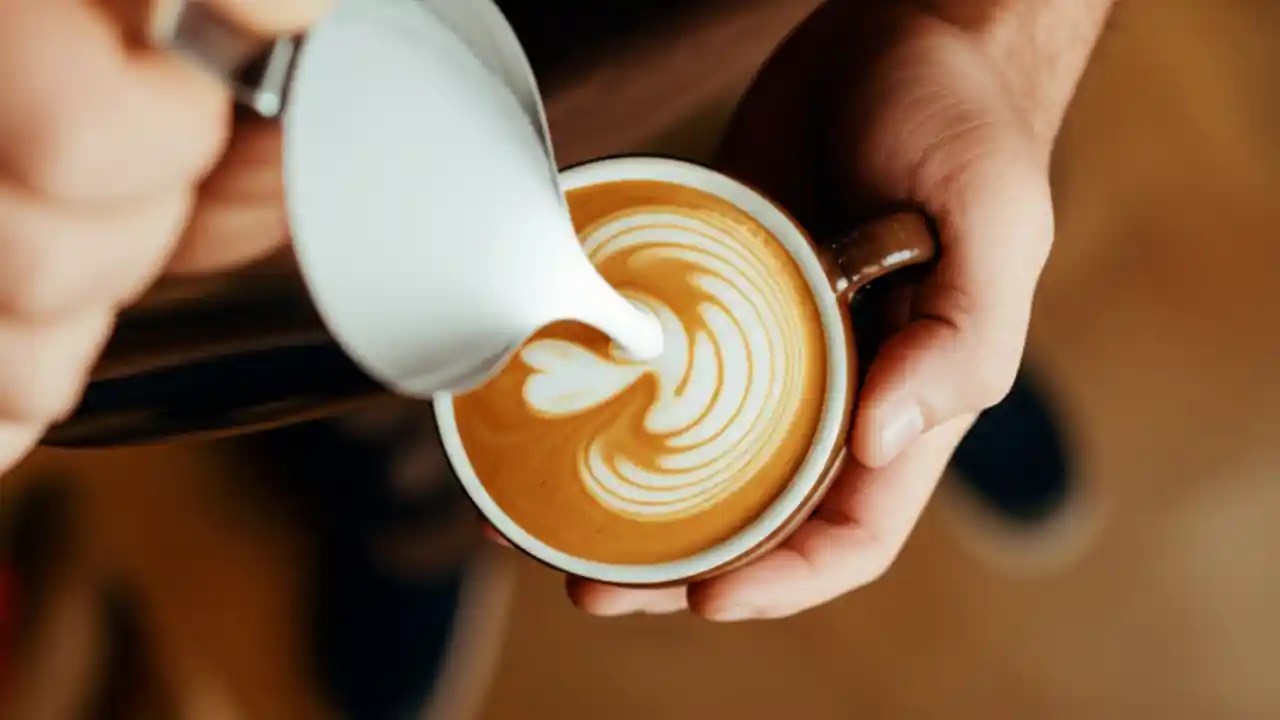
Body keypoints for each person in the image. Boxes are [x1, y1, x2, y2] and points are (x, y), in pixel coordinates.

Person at [0, 0, 1114, 627]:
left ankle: (882, 358)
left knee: (853, 195)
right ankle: (410, 530)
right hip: (254, 124)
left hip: (770, 27)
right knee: (371, 351)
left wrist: (993, 32)